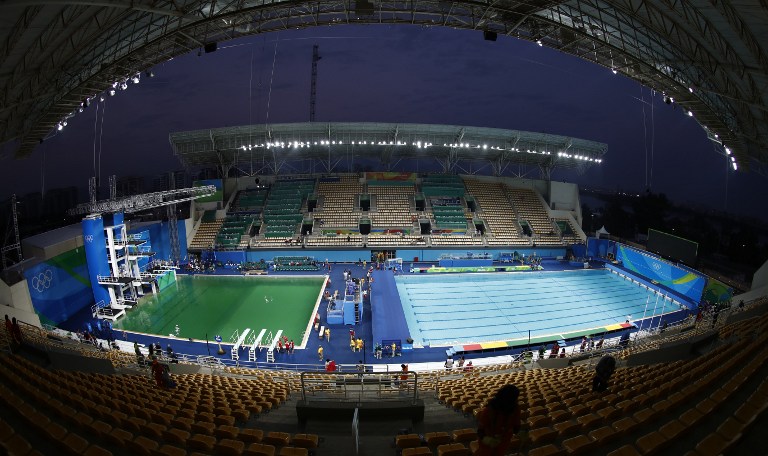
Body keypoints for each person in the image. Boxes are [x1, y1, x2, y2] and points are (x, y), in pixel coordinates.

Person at [475, 385, 522, 456]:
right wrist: (485, 439)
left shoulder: (515, 409)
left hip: (503, 442)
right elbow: (480, 430)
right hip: (488, 443)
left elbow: (516, 426)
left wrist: (520, 432)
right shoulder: (489, 411)